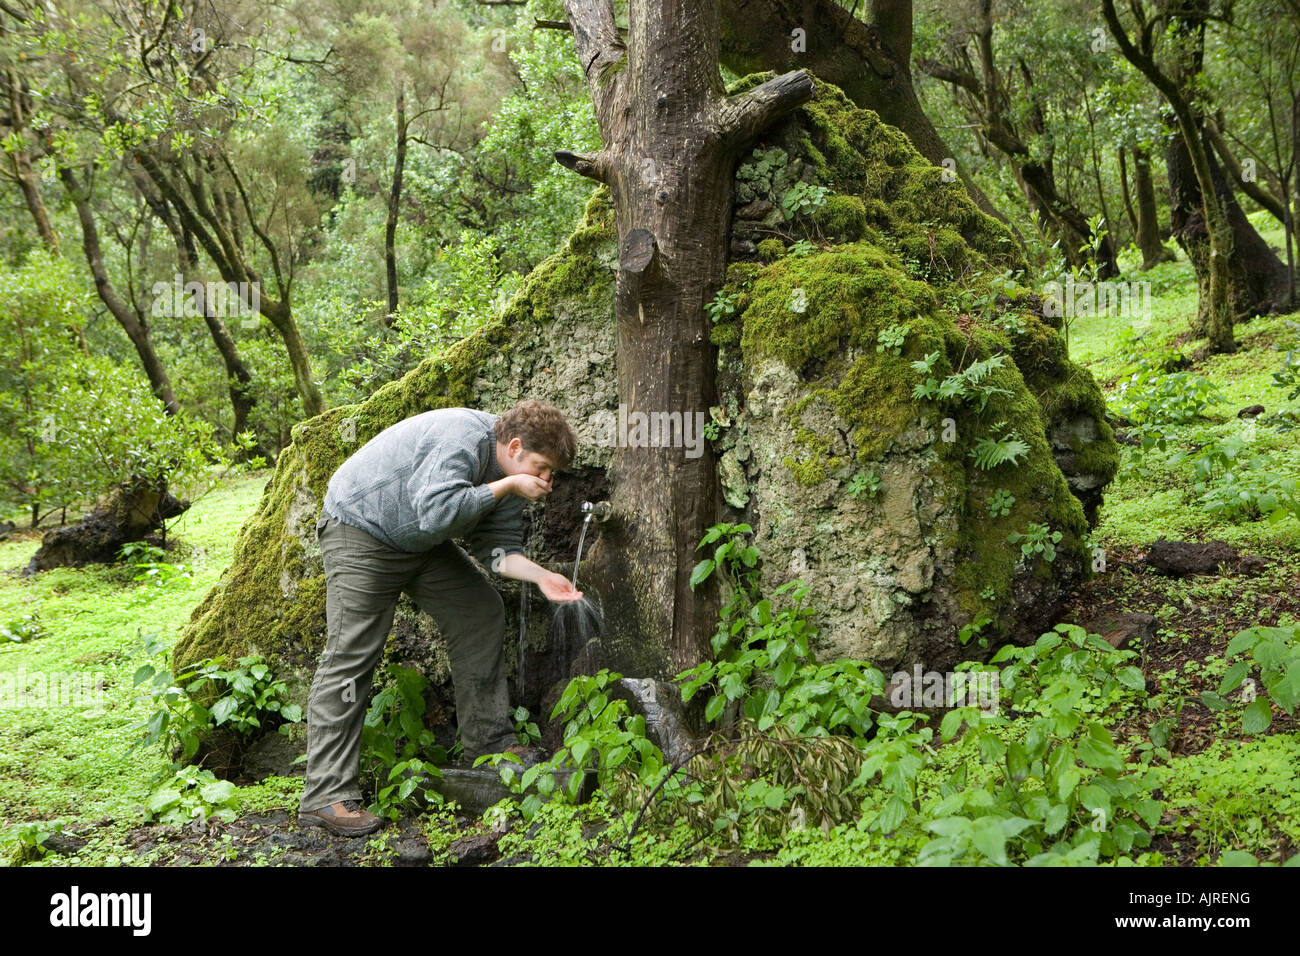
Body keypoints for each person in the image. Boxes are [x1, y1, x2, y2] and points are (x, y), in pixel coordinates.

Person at [297, 400, 582, 836]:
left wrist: (543, 577)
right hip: (360, 530)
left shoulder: (510, 474)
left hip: (417, 542)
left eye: (550, 473)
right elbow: (436, 513)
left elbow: (498, 552)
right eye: (542, 468)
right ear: (516, 446)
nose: (545, 481)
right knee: (351, 655)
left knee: (480, 610)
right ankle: (325, 796)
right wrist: (508, 487)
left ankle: (488, 746)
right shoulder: (462, 438)